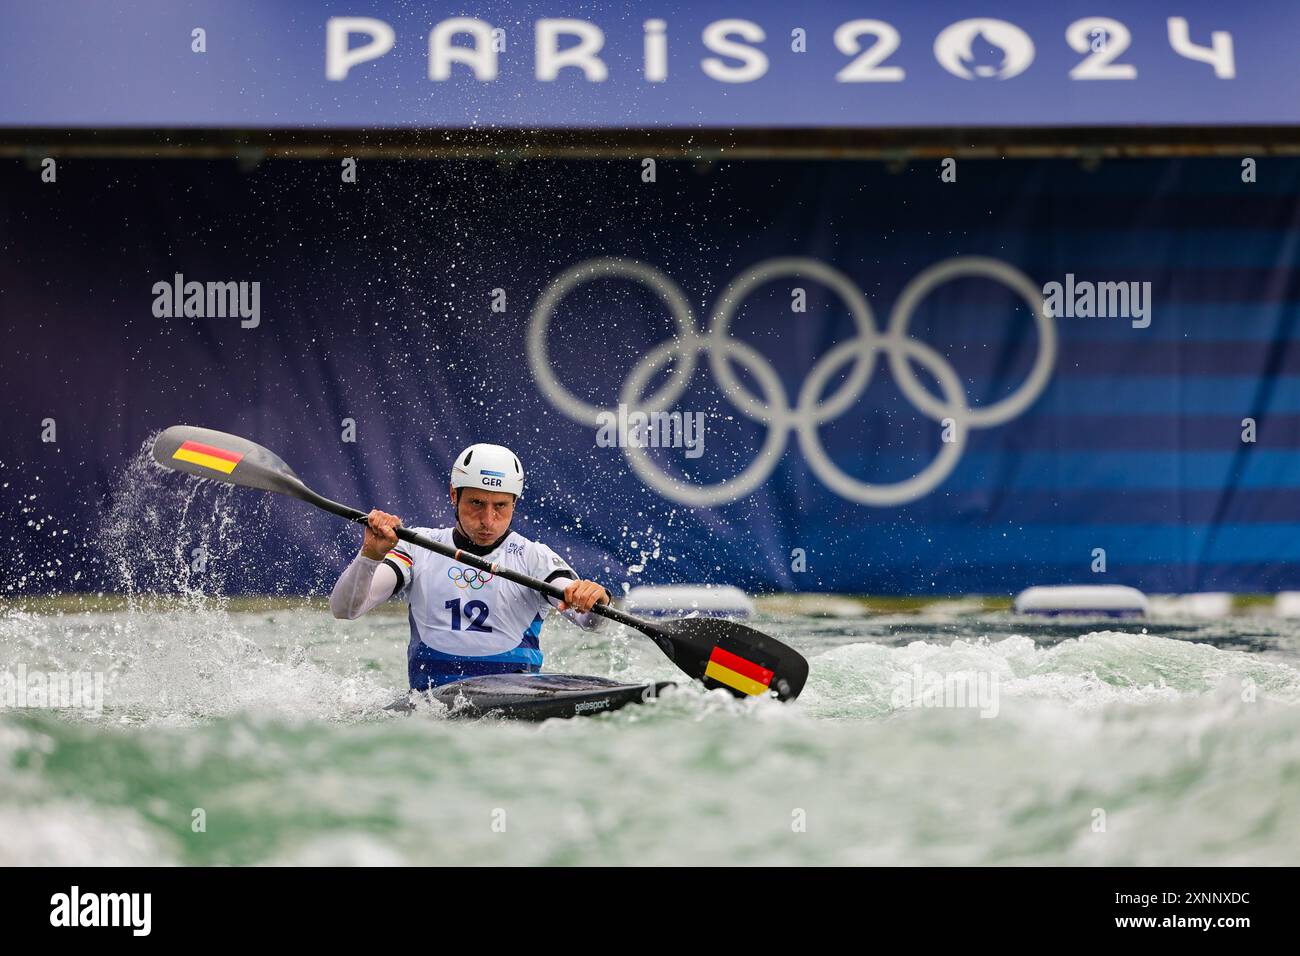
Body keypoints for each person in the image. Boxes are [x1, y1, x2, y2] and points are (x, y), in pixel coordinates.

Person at [329, 443, 611, 691]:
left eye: (500, 505)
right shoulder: (415, 547)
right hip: (433, 706)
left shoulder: (534, 558)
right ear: (454, 495)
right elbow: (345, 609)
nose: (488, 519)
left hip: (515, 703)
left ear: (514, 502)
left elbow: (592, 623)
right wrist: (370, 556)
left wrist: (594, 598)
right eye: (476, 503)